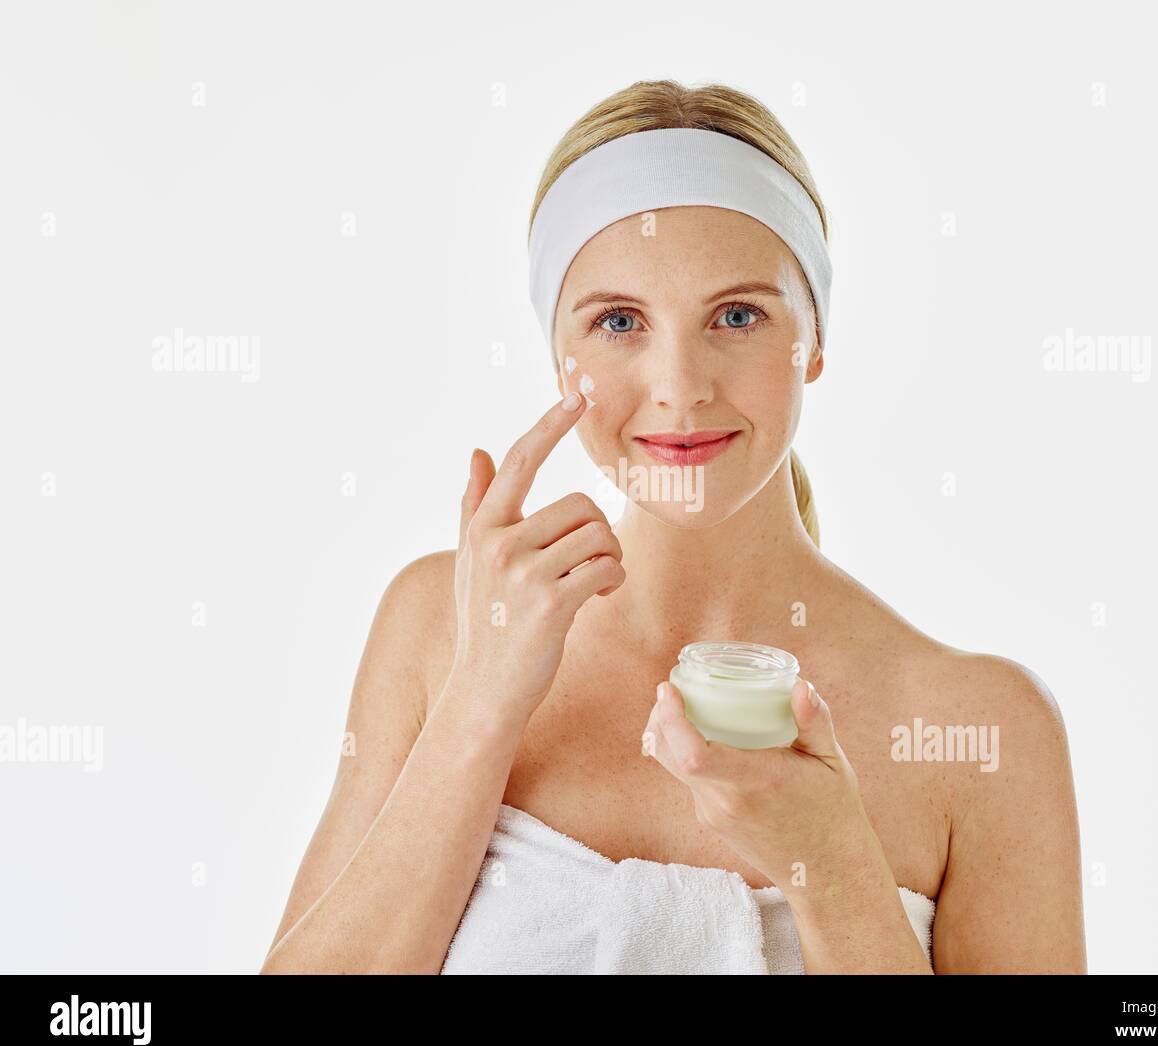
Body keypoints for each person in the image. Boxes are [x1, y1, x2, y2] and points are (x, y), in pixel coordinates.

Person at [261, 79, 1086, 975]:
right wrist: (479, 706)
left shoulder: (984, 728)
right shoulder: (441, 628)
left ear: (815, 338)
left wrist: (837, 871)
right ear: (559, 356)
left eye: (738, 315)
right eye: (619, 321)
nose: (679, 384)